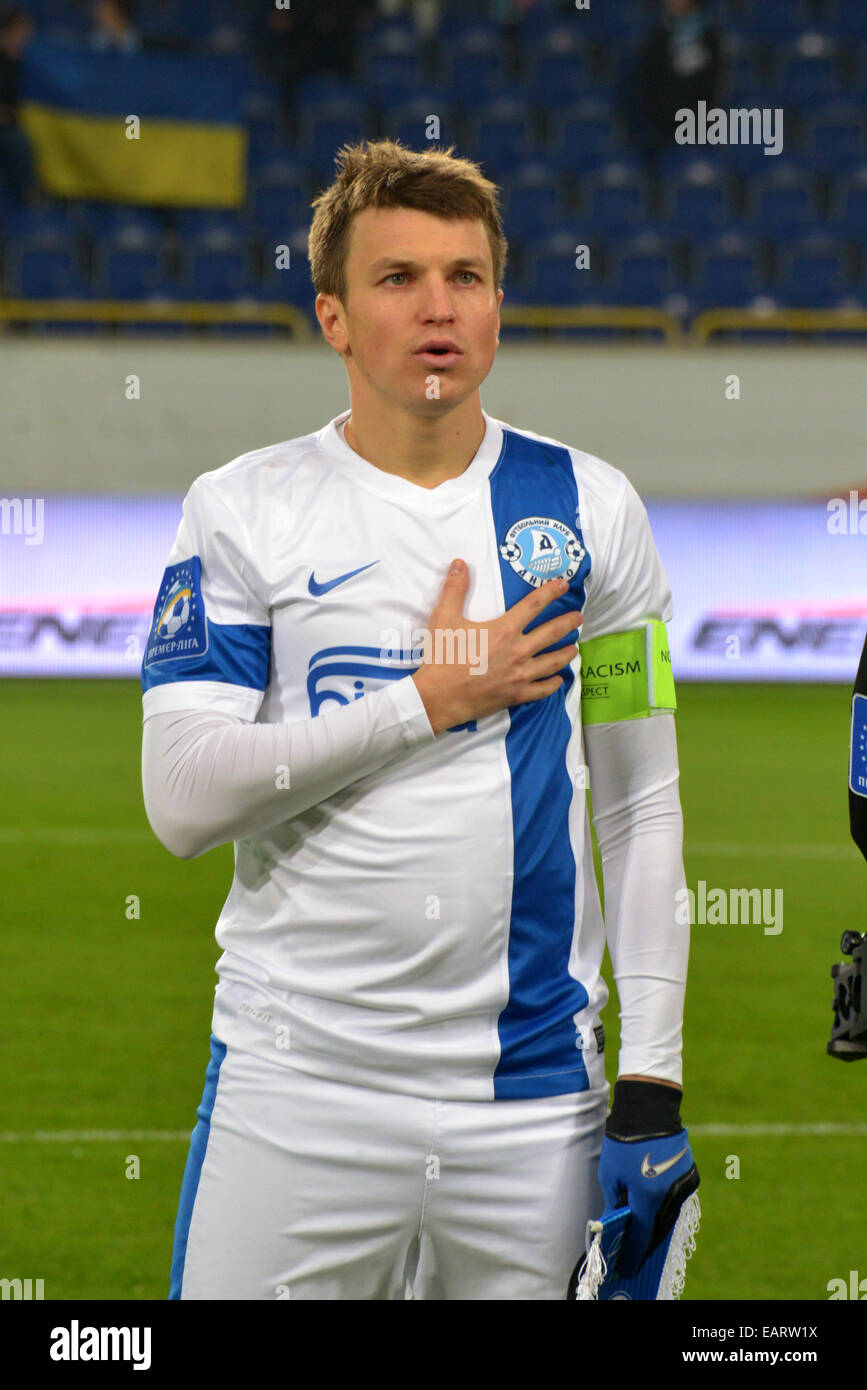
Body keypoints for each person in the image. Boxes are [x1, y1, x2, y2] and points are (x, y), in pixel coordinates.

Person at [141, 137, 698, 1300]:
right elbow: (183, 801)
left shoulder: (593, 508)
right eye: (399, 279)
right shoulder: (242, 510)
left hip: (536, 1102)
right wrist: (423, 702)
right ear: (334, 316)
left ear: (499, 303)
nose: (438, 308)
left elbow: (643, 805)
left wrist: (651, 1086)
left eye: (467, 277)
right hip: (297, 1089)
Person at [630, 0, 722, 170]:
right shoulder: (658, 35)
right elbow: (647, 81)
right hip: (660, 130)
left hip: (697, 127)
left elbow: (713, 83)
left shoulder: (707, 36)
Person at [0, 7, 34, 207]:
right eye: (21, 32)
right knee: (18, 142)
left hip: (22, 123)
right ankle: (29, 197)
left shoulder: (33, 65)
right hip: (8, 129)